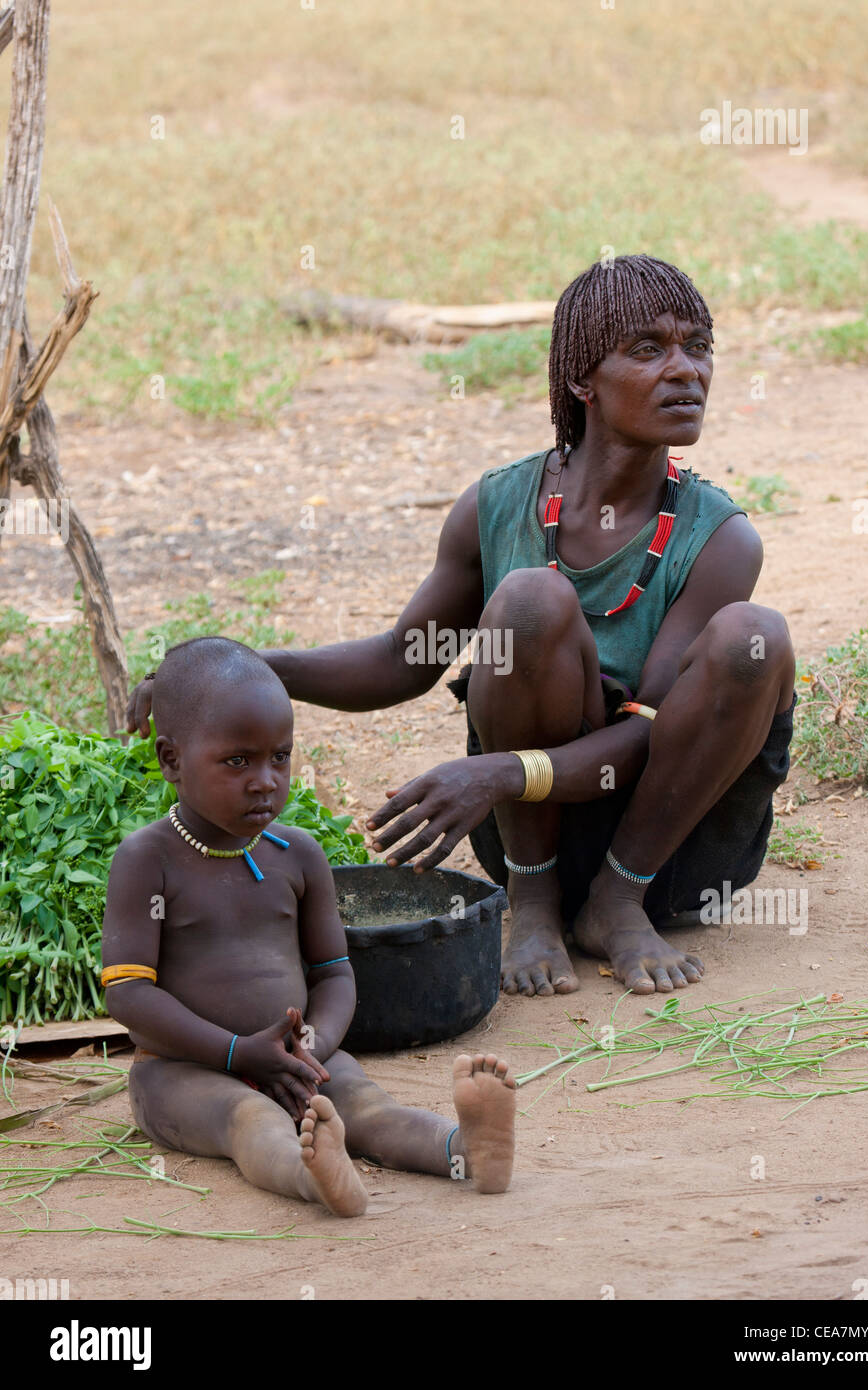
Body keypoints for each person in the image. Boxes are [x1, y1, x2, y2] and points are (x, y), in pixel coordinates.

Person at [127, 254, 795, 1001]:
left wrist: (499, 771)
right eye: (647, 350)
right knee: (527, 604)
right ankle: (534, 905)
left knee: (751, 637)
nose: (685, 372)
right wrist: (227, 669)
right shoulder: (500, 506)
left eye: (697, 347)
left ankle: (614, 903)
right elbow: (403, 658)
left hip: (676, 853)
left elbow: (653, 729)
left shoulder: (719, 537)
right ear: (582, 380)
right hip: (526, 844)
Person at [104, 637, 516, 1216]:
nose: (265, 780)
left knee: (369, 1106)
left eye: (279, 756)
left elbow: (334, 972)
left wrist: (313, 1046)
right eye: (237, 761)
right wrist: (235, 1053)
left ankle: (466, 1148)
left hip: (299, 1059)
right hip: (183, 1070)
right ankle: (314, 1175)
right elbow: (128, 993)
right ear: (171, 759)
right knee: (246, 1119)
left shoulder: (297, 855)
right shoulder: (148, 860)